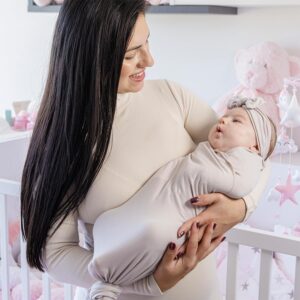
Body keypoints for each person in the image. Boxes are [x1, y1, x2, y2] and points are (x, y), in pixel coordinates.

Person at [20, 1, 271, 300]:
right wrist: (145, 280)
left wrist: (240, 208)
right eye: (130, 55)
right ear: (91, 57)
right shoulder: (65, 142)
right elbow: (56, 254)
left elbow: (257, 152)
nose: (149, 60)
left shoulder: (172, 97)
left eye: (147, 41)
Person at [88, 98, 277, 299]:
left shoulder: (245, 162)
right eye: (224, 117)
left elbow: (259, 168)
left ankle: (108, 284)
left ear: (255, 146)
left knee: (154, 234)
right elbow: (56, 254)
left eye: (235, 121)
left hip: (174, 223)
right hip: (155, 197)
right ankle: (107, 278)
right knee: (121, 224)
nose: (222, 121)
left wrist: (241, 208)